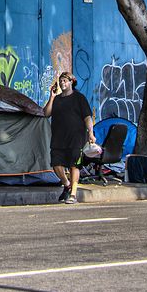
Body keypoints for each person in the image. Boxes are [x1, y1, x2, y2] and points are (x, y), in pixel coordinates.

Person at [43, 71, 94, 204]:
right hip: (58, 138)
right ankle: (66, 184)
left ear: (71, 82)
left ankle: (73, 194)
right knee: (56, 164)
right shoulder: (57, 99)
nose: (62, 83)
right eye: (61, 81)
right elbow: (46, 114)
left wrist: (91, 133)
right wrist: (52, 97)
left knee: (74, 166)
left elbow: (87, 117)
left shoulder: (79, 98)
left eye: (65, 80)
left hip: (76, 138)